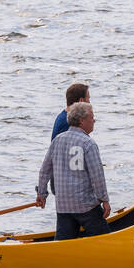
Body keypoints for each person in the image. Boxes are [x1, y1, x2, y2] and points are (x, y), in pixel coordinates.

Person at [36, 101, 110, 240]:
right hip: (85, 206)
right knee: (104, 238)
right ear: (82, 121)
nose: (94, 120)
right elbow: (97, 176)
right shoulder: (88, 143)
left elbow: (45, 170)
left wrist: (42, 193)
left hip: (63, 205)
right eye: (91, 117)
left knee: (63, 242)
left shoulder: (57, 140)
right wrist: (104, 200)